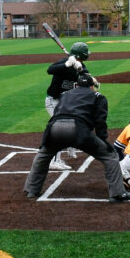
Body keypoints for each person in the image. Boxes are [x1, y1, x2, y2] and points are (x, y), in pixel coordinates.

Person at [24, 71, 130, 203]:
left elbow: (56, 113)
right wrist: (104, 141)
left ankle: (31, 190)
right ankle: (117, 193)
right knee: (110, 156)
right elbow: (100, 122)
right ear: (91, 86)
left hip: (55, 128)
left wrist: (45, 142)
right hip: (78, 130)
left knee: (43, 155)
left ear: (77, 85)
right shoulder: (98, 96)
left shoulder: (65, 95)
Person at [43, 41, 90, 170]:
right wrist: (66, 65)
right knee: (60, 129)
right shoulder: (65, 62)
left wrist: (81, 69)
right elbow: (50, 70)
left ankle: (70, 146)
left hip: (66, 102)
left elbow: (86, 77)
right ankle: (54, 161)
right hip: (54, 101)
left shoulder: (80, 64)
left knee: (76, 122)